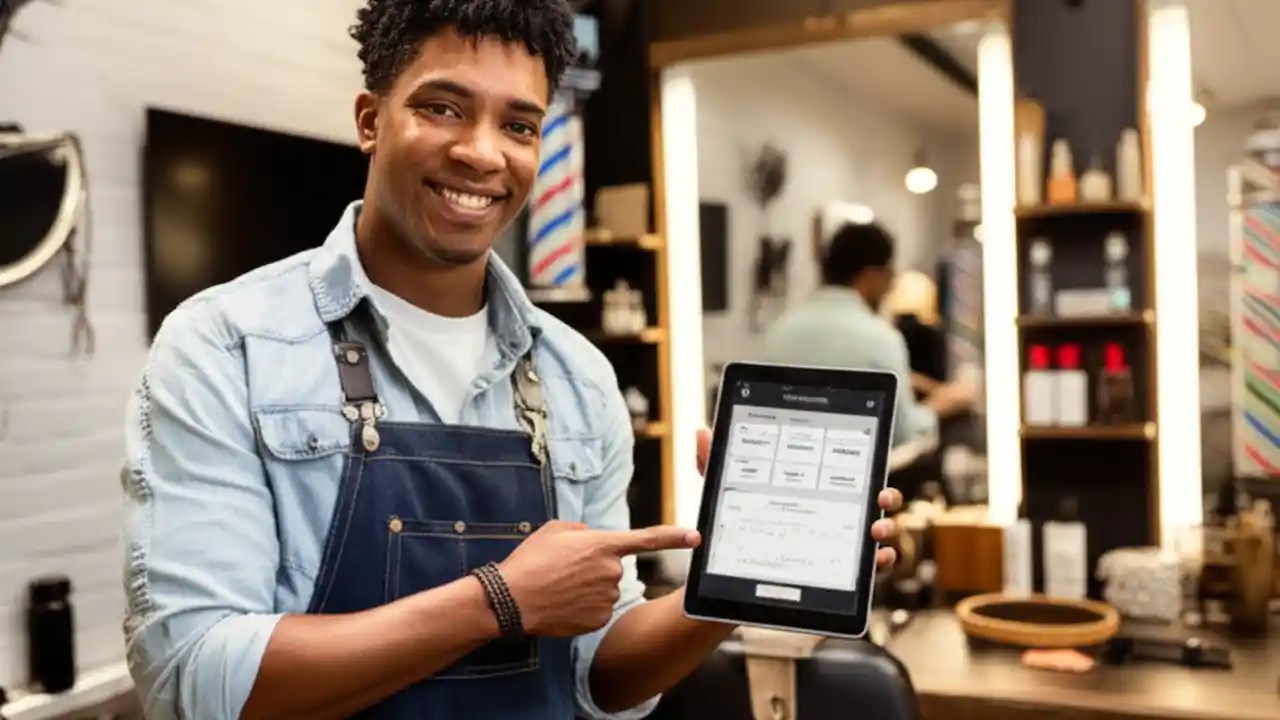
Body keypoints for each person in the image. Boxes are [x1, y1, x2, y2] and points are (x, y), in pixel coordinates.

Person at [119, 3, 904, 719]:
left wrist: (735, 572)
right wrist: (499, 599)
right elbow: (195, 681)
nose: (482, 153)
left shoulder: (578, 379)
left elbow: (600, 677)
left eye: (520, 126)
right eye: (442, 107)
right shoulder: (228, 346)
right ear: (370, 118)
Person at [762, 222, 975, 451]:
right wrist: (942, 404)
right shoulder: (881, 339)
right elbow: (900, 432)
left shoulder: (780, 331)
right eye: (889, 274)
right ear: (871, 275)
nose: (891, 286)